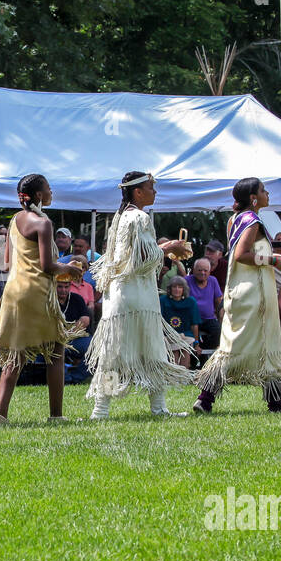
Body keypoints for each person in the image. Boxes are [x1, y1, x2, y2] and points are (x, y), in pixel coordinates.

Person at [0, 174, 86, 425]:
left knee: (16, 354)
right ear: (38, 195)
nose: (51, 192)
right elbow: (47, 266)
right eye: (48, 188)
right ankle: (56, 416)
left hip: (14, 292)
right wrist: (70, 267)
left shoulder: (15, 220)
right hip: (37, 292)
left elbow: (6, 261)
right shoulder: (43, 223)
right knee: (56, 351)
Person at [84, 172, 193, 419]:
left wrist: (163, 249)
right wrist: (169, 248)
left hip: (122, 294)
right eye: (151, 187)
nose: (155, 191)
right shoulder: (140, 217)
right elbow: (141, 258)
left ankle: (101, 411)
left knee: (112, 356)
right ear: (138, 192)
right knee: (152, 351)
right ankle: (158, 408)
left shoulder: (120, 218)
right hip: (136, 296)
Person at [193, 178, 281, 413]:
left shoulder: (235, 220)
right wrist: (274, 259)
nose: (267, 193)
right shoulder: (251, 220)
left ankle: (274, 403)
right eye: (263, 190)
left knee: (255, 344)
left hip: (241, 289)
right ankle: (205, 397)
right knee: (250, 344)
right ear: (253, 198)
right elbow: (242, 255)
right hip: (254, 294)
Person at [57, 278, 94, 382]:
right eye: (60, 286)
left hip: (75, 339)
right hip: (55, 340)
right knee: (54, 350)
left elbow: (85, 320)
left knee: (95, 347)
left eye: (66, 287)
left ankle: (75, 378)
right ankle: (65, 379)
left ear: (70, 286)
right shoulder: (48, 301)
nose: (63, 290)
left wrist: (69, 333)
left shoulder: (76, 298)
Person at [158, 275, 200, 367]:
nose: (177, 289)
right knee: (175, 356)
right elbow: (159, 322)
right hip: (169, 336)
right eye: (174, 287)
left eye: (180, 287)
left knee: (185, 354)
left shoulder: (191, 302)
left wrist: (197, 343)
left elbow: (194, 324)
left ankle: (184, 378)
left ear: (183, 289)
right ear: (170, 289)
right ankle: (174, 378)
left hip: (186, 336)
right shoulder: (163, 301)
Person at [186, 257, 223, 350]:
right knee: (190, 336)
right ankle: (195, 356)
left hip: (209, 318)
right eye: (199, 270)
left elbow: (219, 301)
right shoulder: (186, 280)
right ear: (193, 270)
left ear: (209, 271)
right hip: (191, 319)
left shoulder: (213, 280)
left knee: (218, 332)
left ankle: (203, 351)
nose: (203, 273)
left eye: (205, 270)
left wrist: (220, 317)